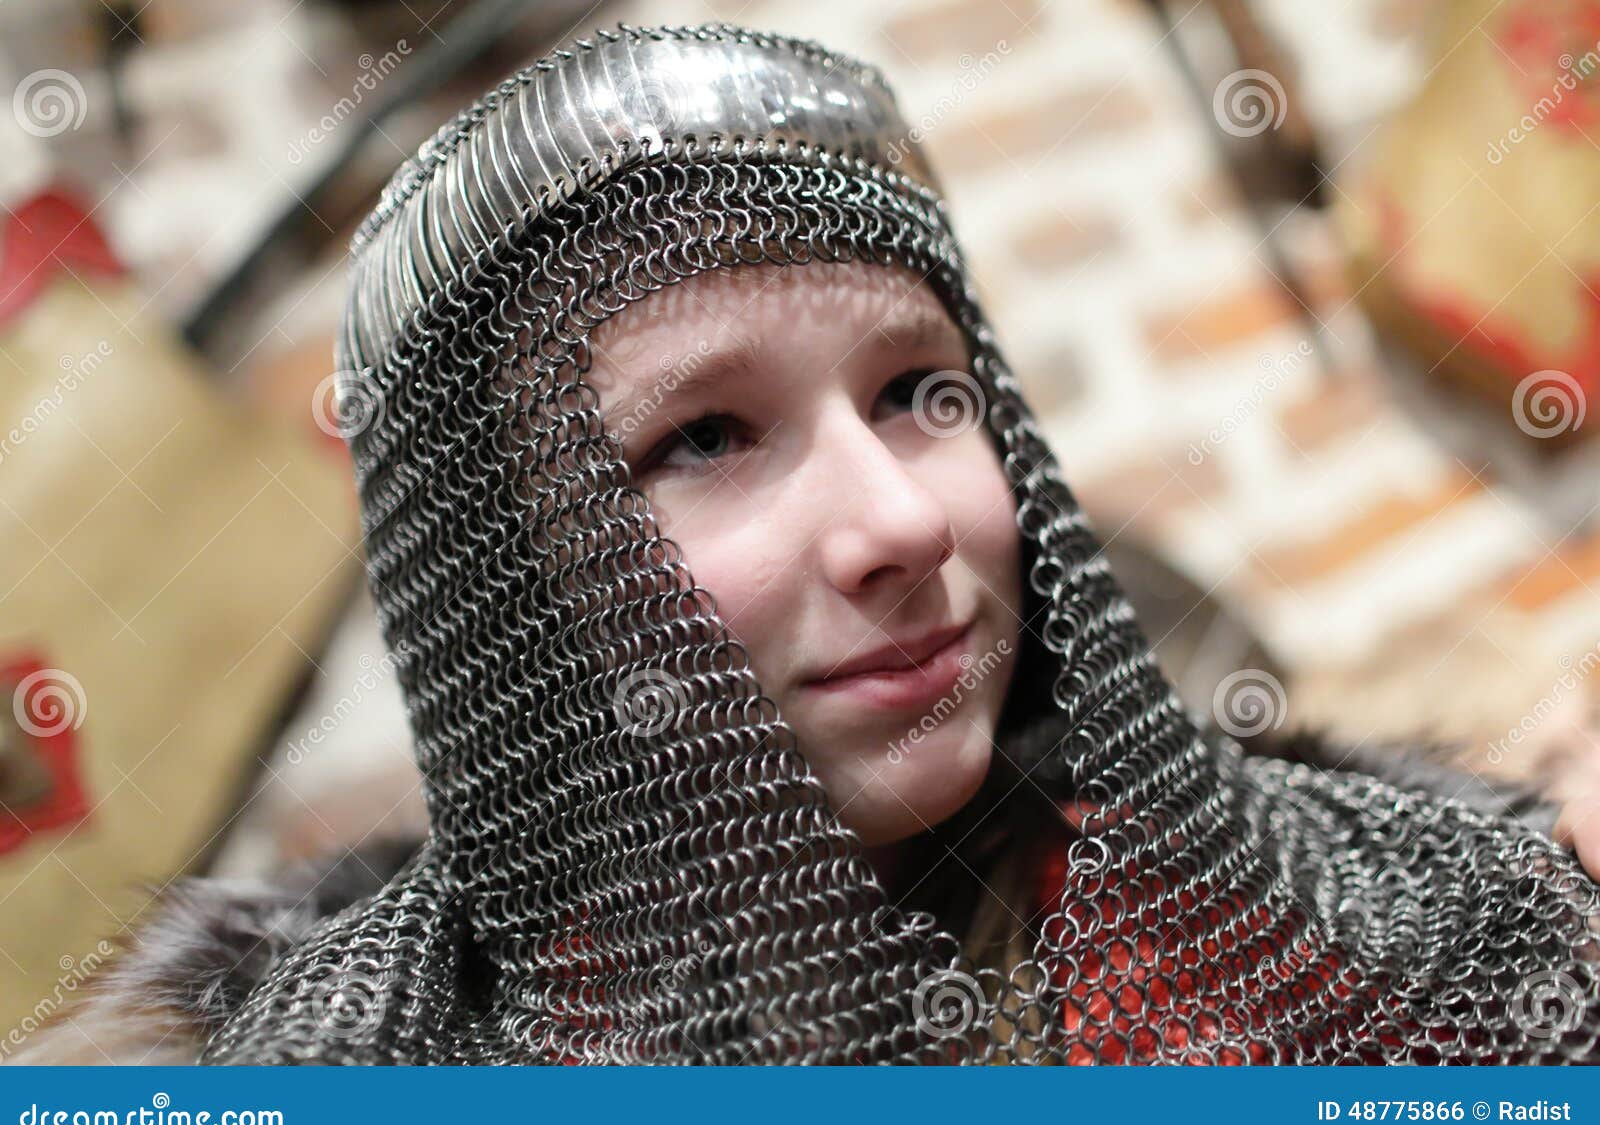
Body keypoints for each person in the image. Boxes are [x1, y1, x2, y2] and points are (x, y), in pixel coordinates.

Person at [13, 22, 1600, 1066]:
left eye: (923, 395)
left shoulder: (1398, 943)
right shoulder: (312, 1073)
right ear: (515, 589)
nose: (904, 519)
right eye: (703, 437)